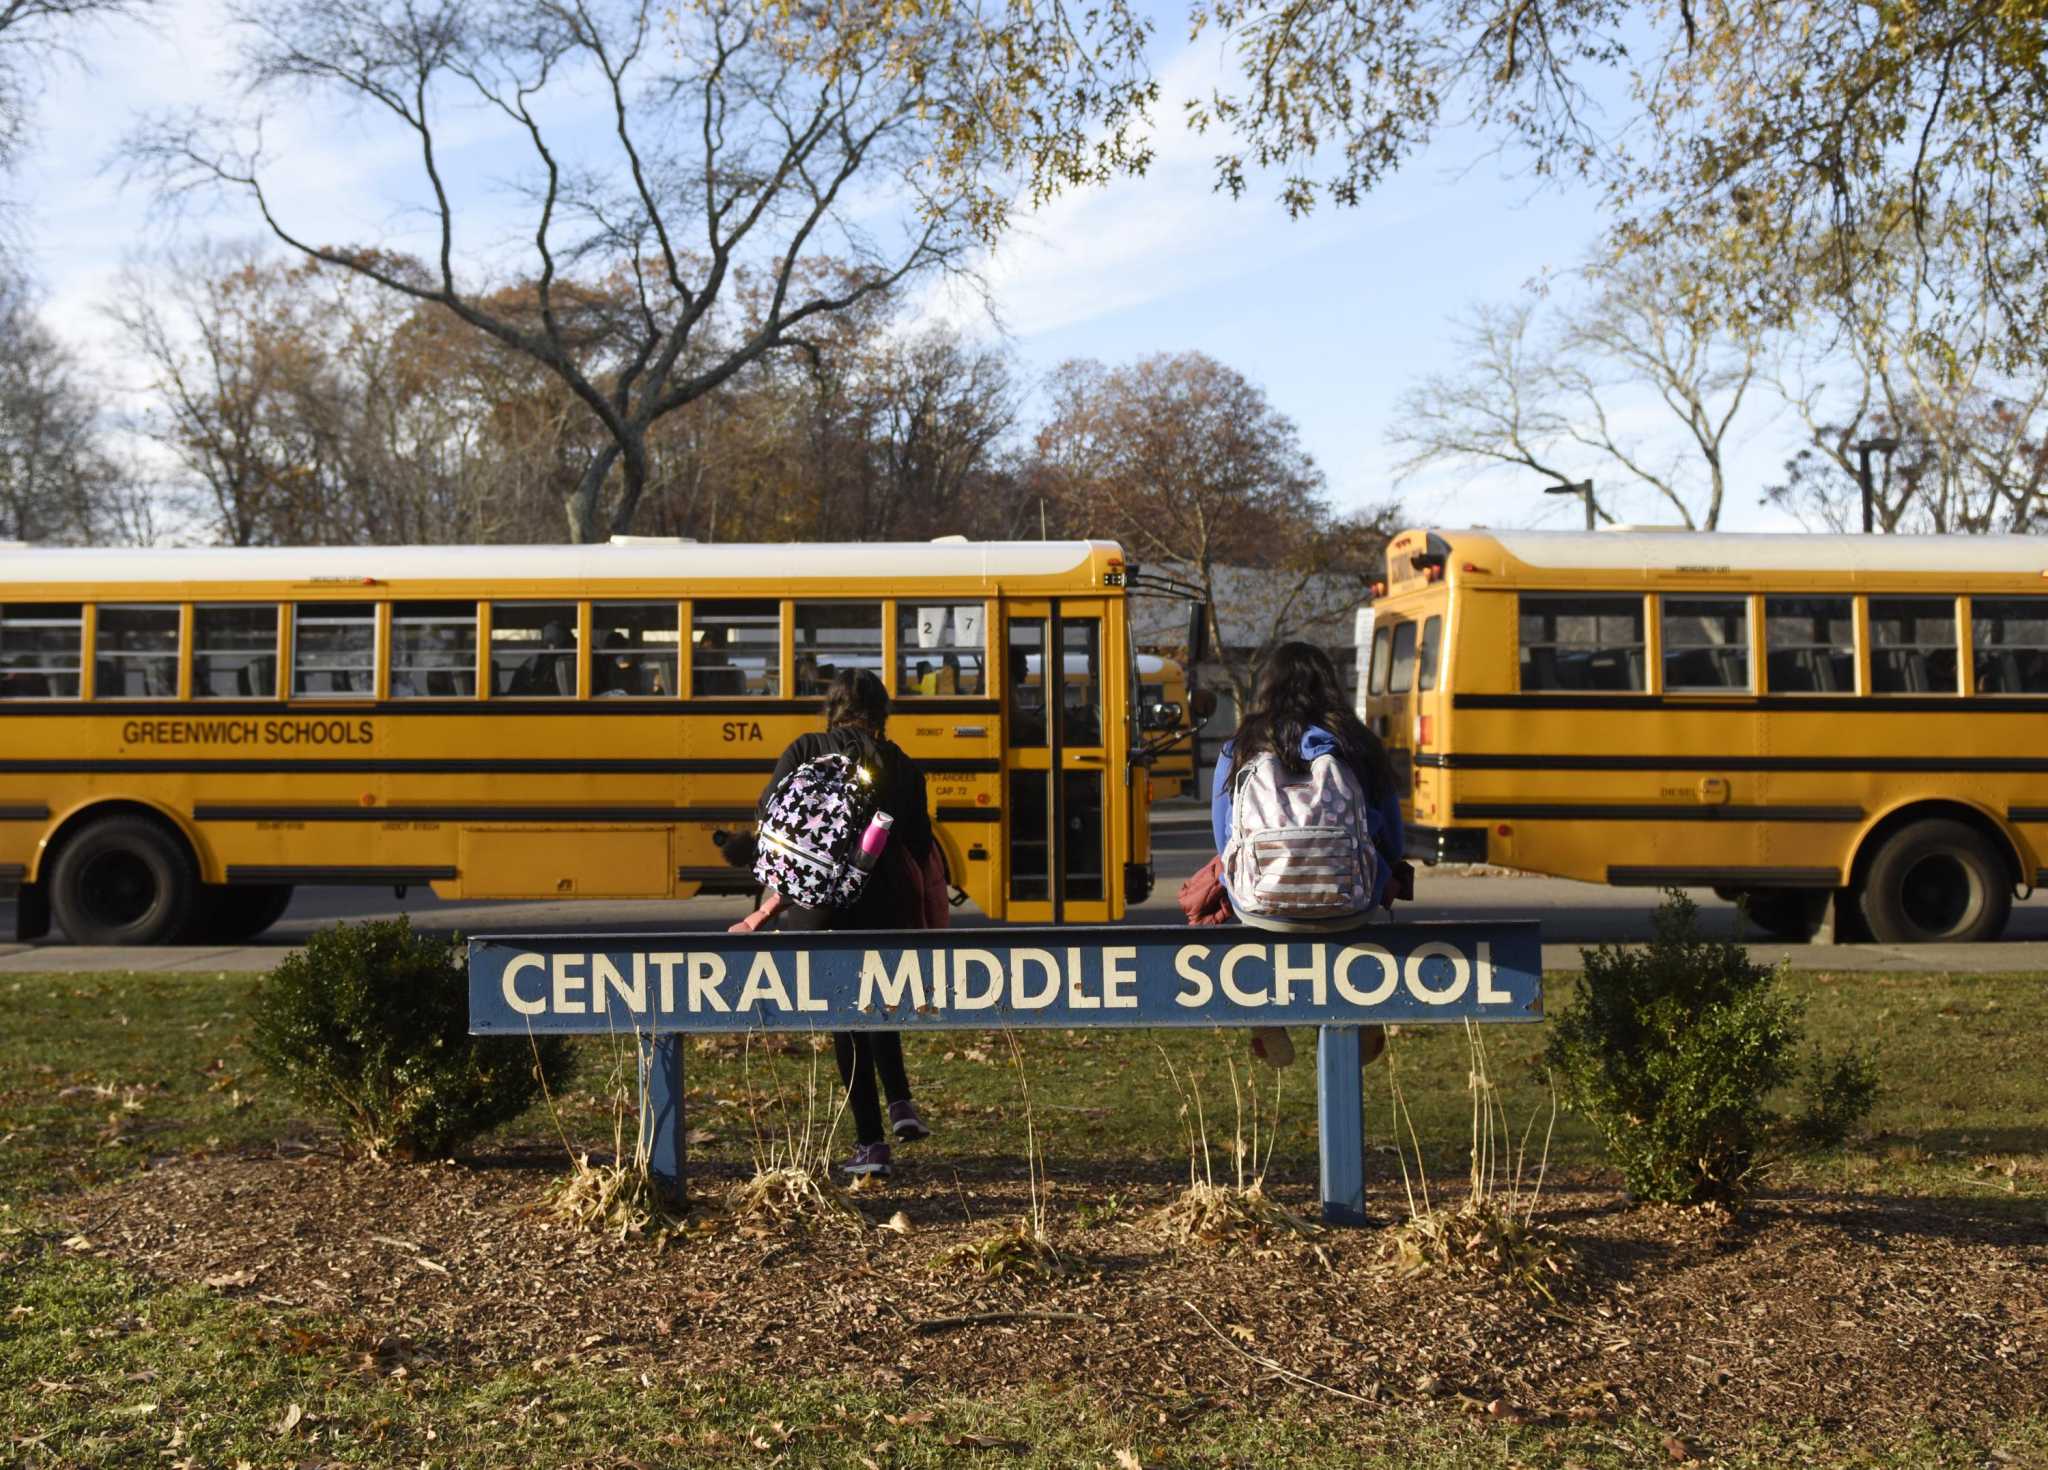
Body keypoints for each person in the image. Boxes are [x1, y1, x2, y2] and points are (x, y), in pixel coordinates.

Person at [742, 668, 935, 1178]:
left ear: (834, 705)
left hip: (816, 904)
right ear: (883, 710)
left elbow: (767, 814)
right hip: (884, 902)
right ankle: (901, 1105)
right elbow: (919, 844)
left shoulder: (806, 748)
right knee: (880, 1002)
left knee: (846, 1024)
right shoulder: (901, 765)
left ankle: (871, 1145)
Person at [1209, 641, 1405, 1068]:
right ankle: (1361, 1011)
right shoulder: (1359, 746)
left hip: (1261, 907)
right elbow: (1394, 839)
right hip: (1352, 905)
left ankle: (1266, 1015)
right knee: (1370, 875)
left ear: (1267, 688)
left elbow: (1224, 842)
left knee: (1230, 879)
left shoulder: (1239, 748)